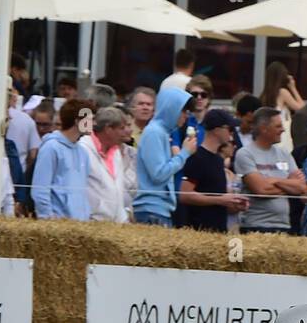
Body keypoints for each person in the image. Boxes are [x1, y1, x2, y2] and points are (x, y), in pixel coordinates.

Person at [234, 106, 307, 234]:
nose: (283, 130)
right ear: (264, 129)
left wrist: (272, 180)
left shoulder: (284, 153)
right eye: (278, 126)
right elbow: (261, 189)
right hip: (255, 227)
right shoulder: (245, 154)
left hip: (284, 227)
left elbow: (301, 187)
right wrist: (287, 185)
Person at [178, 108, 249, 231]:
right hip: (199, 231)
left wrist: (233, 203)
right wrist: (220, 200)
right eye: (229, 129)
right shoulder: (197, 158)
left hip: (218, 230)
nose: (232, 134)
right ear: (217, 130)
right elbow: (185, 195)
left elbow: (215, 195)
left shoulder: (218, 160)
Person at [133, 87, 195, 226]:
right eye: (184, 110)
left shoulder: (161, 132)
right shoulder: (154, 133)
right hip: (151, 210)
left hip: (159, 209)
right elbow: (158, 174)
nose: (186, 116)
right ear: (172, 109)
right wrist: (184, 153)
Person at [31, 98, 94, 220]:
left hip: (79, 224)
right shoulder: (51, 148)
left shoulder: (83, 153)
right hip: (58, 225)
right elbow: (40, 189)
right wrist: (47, 218)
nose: (94, 123)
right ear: (78, 121)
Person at [82, 106, 138, 223]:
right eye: (121, 128)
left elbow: (118, 190)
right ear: (108, 129)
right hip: (91, 222)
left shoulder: (116, 152)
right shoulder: (83, 150)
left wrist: (123, 220)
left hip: (114, 224)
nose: (125, 132)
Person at [259, 61, 306, 153]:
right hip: (282, 137)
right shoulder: (282, 92)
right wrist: (293, 87)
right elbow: (302, 108)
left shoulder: (264, 96)